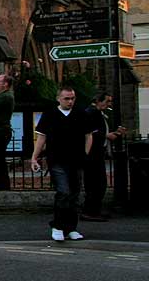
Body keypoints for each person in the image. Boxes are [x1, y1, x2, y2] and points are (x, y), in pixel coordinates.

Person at [31, 86, 95, 242]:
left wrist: (85, 154)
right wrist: (34, 157)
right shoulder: (50, 114)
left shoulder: (81, 114)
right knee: (63, 192)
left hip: (76, 159)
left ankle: (71, 227)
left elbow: (88, 136)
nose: (70, 101)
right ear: (58, 98)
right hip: (57, 159)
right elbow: (41, 137)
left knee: (74, 194)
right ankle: (58, 226)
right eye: (67, 98)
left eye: (72, 98)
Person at [82, 91, 127, 221]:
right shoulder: (92, 113)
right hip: (93, 154)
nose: (109, 104)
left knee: (98, 183)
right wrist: (109, 135)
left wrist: (114, 133)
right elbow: (92, 133)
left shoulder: (97, 113)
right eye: (107, 101)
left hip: (97, 152)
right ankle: (90, 211)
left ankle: (94, 209)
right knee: (96, 183)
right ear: (98, 101)